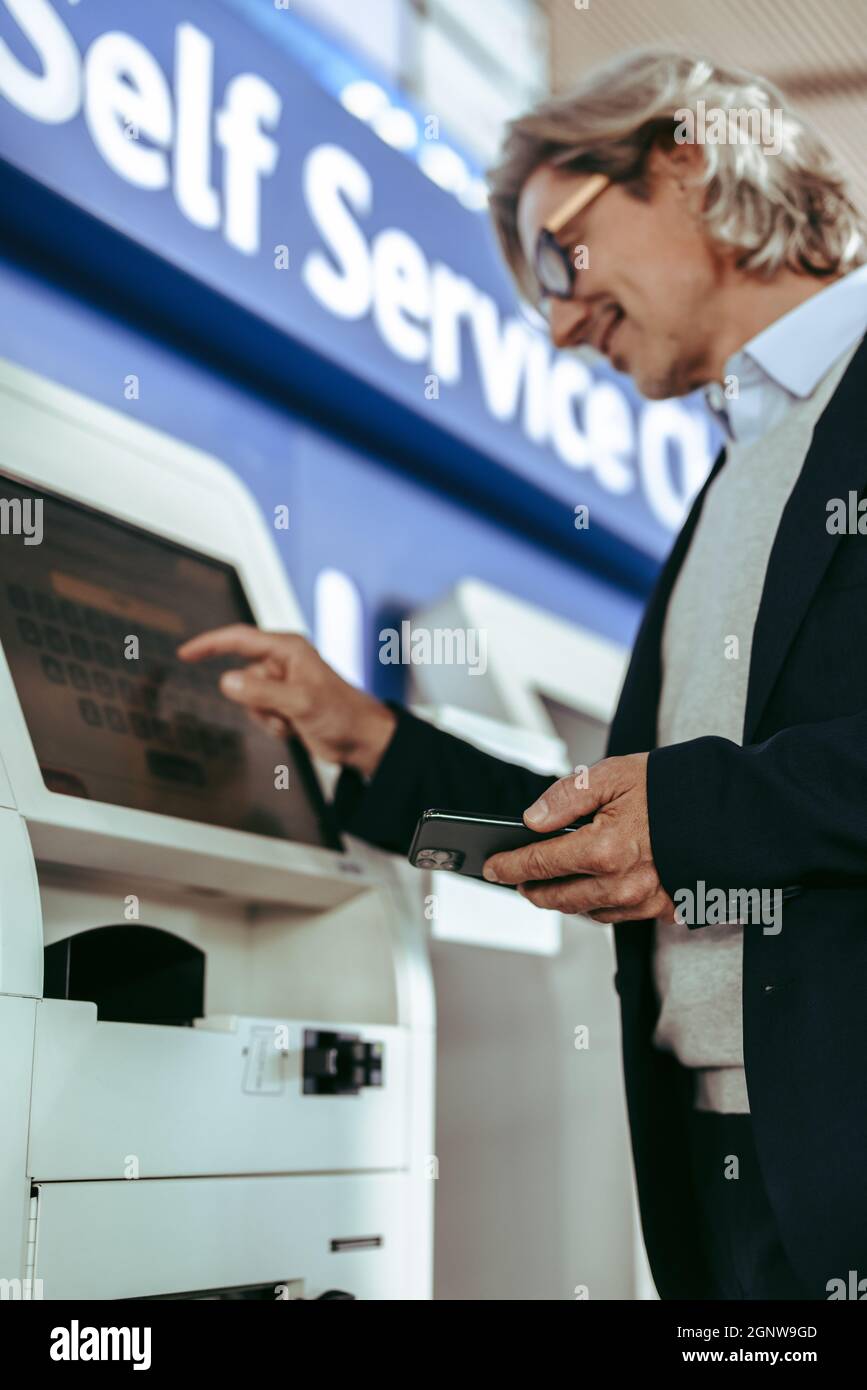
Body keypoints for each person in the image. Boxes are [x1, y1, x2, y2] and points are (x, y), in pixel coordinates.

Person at [178, 50, 867, 1300]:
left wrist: (702, 816)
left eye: (561, 259)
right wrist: (373, 742)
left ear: (687, 157)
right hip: (727, 1176)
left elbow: (698, 814)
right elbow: (619, 826)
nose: (556, 324)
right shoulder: (732, 482)